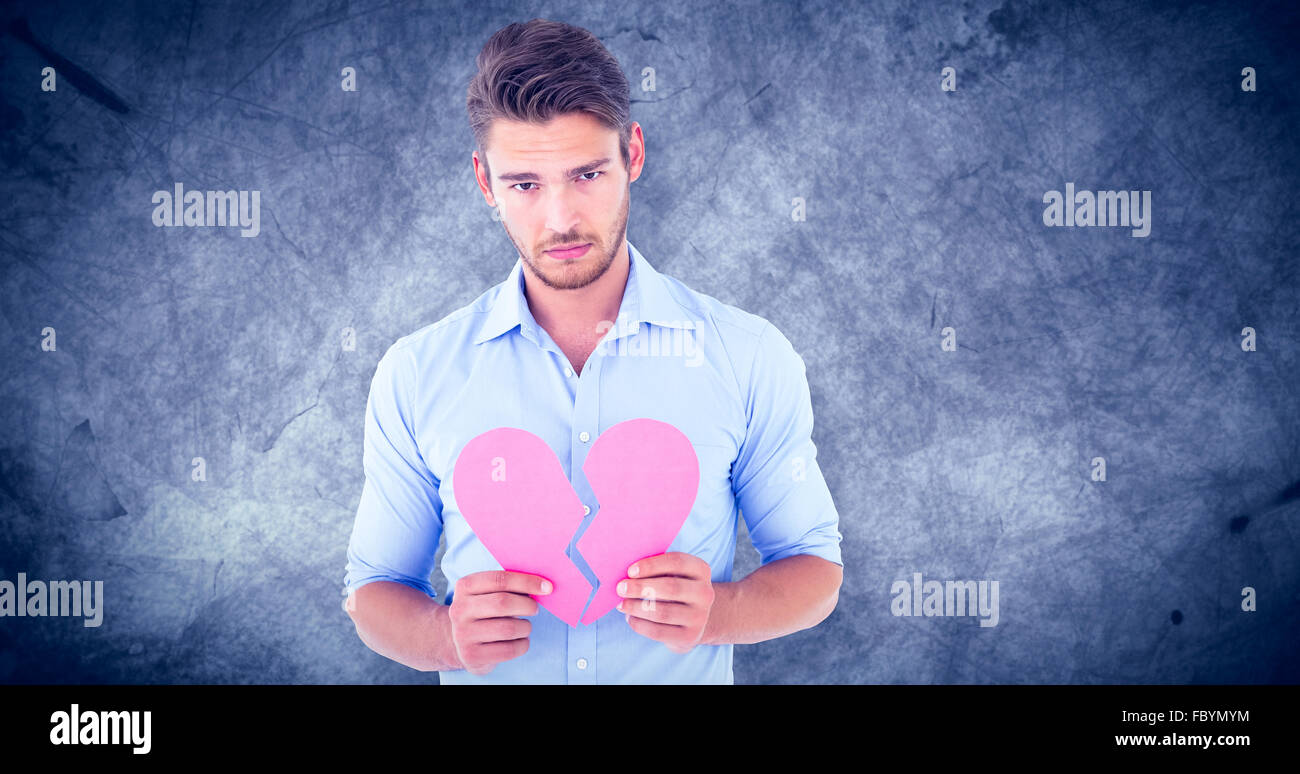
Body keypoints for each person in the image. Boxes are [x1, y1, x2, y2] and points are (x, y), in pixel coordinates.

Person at [342, 18, 843, 684]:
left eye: (586, 174)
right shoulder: (417, 373)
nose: (561, 218)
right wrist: (442, 636)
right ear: (484, 182)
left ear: (633, 153)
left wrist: (720, 612)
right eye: (524, 184)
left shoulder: (748, 356)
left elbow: (814, 568)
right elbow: (375, 587)